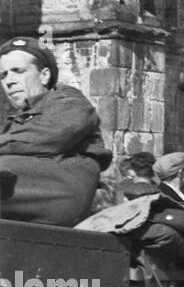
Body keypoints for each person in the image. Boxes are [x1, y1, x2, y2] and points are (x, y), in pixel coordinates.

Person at [0, 37, 112, 225]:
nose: (9, 81)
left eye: (18, 71)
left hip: (63, 191)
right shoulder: (16, 120)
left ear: (44, 75)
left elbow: (50, 136)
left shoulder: (68, 100)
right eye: (3, 75)